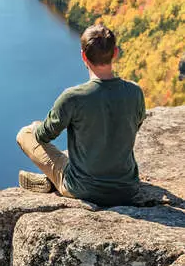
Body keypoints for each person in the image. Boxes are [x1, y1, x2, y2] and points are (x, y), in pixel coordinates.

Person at [16, 24, 146, 206]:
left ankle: (55, 180)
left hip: (81, 188)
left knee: (26, 133)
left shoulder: (73, 97)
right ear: (115, 52)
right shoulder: (135, 92)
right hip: (127, 189)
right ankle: (56, 178)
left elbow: (43, 135)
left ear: (84, 56)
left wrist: (37, 125)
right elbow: (135, 126)